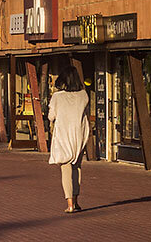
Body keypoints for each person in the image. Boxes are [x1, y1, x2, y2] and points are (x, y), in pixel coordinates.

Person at [48, 65, 91, 214]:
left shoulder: (57, 97)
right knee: (76, 168)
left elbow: (51, 116)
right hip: (79, 135)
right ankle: (76, 201)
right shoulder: (84, 95)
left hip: (64, 135)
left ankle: (70, 204)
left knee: (65, 168)